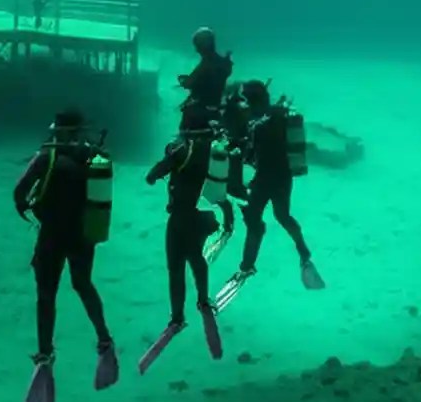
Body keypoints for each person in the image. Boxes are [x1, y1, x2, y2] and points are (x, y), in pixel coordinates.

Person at [14, 109, 116, 402]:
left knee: (46, 293)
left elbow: (19, 193)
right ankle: (104, 340)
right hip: (83, 236)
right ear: (81, 130)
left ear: (56, 130)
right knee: (83, 284)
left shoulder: (45, 157)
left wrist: (29, 208)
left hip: (51, 237)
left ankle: (45, 354)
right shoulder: (93, 157)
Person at [215, 80, 324, 312]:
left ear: (253, 100)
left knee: (254, 221)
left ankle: (247, 265)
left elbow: (249, 154)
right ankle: (303, 252)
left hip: (266, 179)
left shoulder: (259, 124)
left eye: (247, 99)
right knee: (283, 216)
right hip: (283, 178)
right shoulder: (278, 116)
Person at [139, 128, 225, 373]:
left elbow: (152, 174)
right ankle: (203, 301)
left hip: (179, 219)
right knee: (196, 259)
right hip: (198, 218)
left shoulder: (182, 151)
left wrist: (166, 163)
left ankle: (177, 318)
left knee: (175, 267)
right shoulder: (207, 151)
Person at [177, 27, 233, 130]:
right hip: (215, 107)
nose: (196, 49)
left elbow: (192, 83)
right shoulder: (221, 62)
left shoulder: (206, 64)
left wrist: (184, 81)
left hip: (199, 110)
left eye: (197, 45)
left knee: (183, 132)